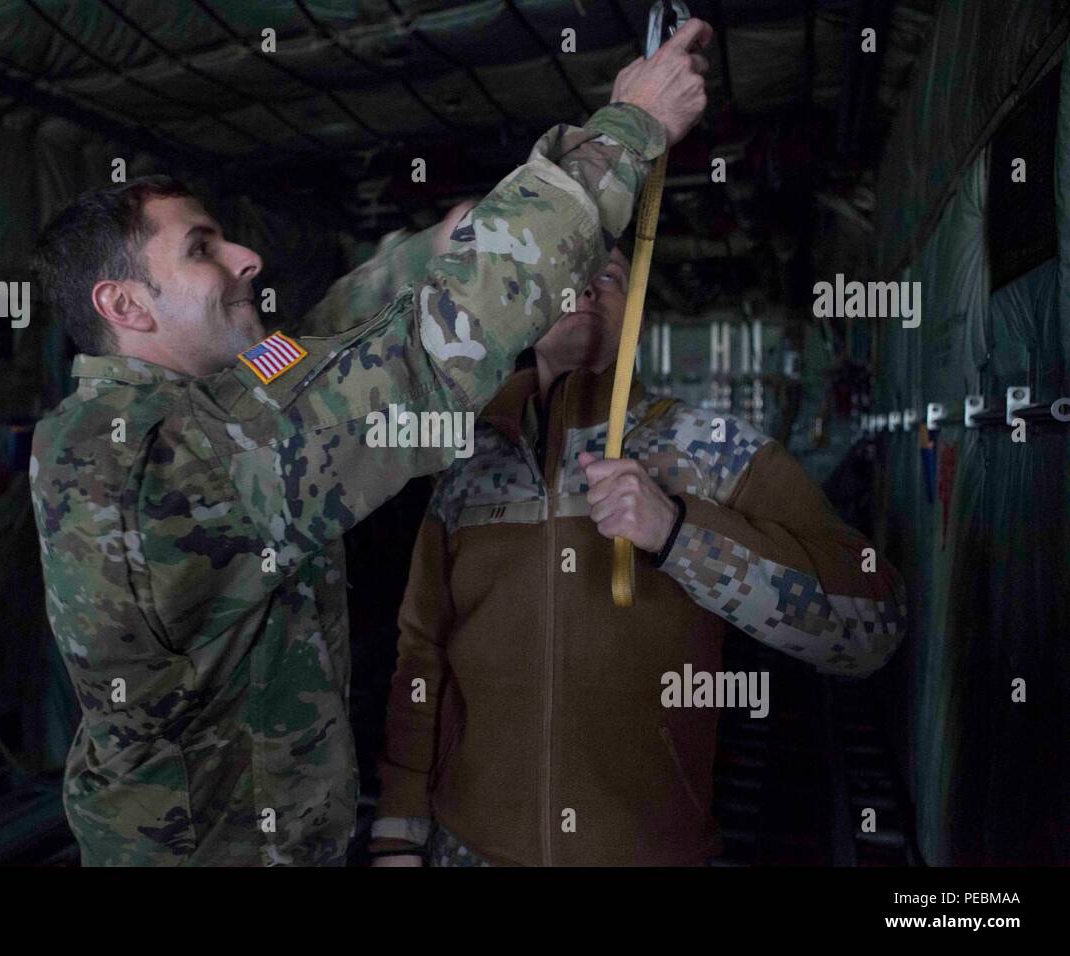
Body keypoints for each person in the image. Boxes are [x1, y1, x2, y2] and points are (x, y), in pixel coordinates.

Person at [26, 19, 715, 866]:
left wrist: (437, 245)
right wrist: (628, 134)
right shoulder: (165, 455)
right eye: (203, 249)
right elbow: (423, 357)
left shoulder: (196, 404)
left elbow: (316, 342)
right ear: (125, 308)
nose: (248, 256)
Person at [369, 244, 909, 866]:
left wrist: (679, 533)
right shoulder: (465, 469)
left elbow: (874, 625)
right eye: (558, 269)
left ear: (639, 316)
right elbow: (421, 658)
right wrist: (397, 833)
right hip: (464, 853)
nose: (583, 285)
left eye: (608, 275)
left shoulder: (712, 450)